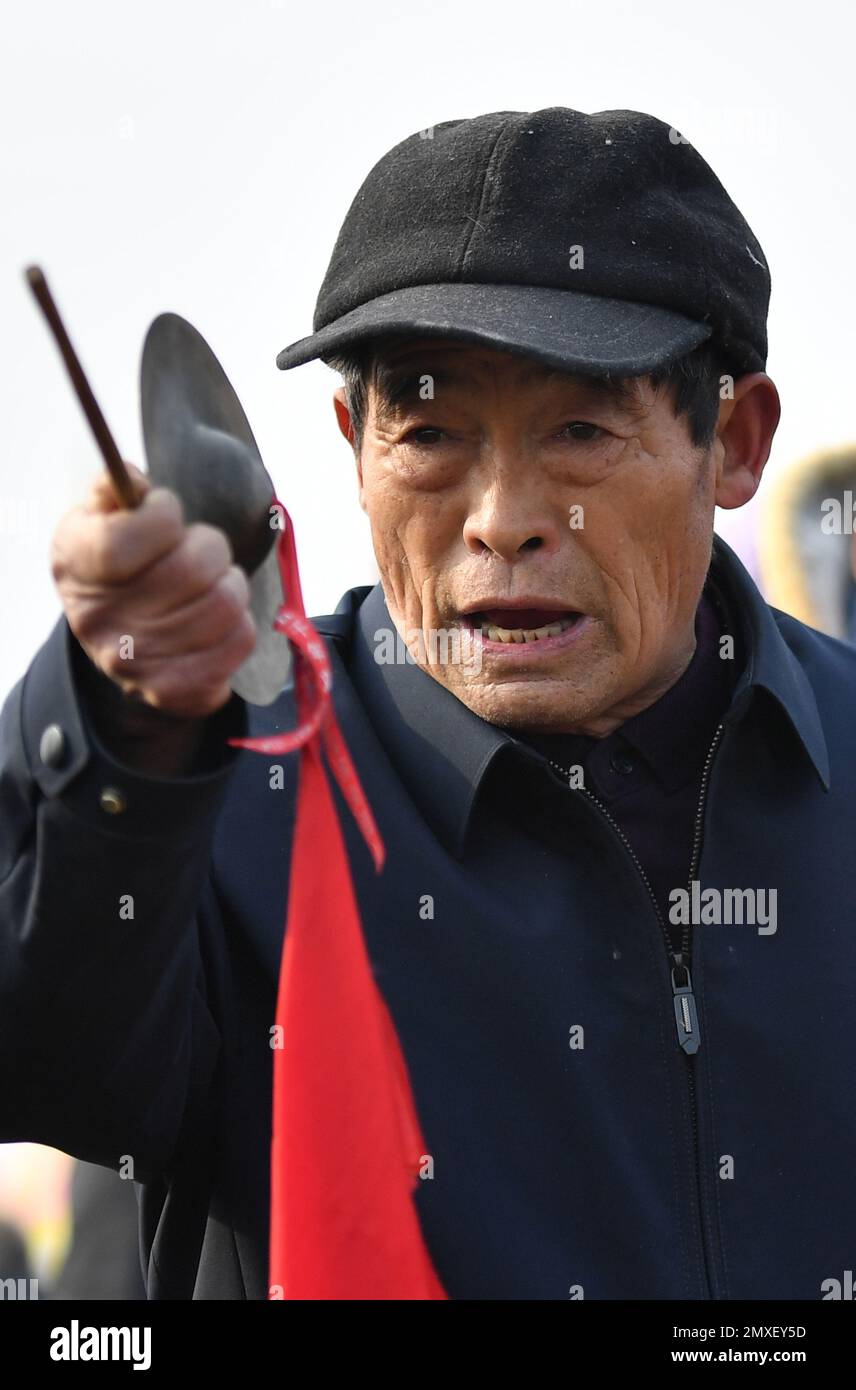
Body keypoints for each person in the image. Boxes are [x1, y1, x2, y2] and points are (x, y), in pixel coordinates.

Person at [2, 106, 855, 1301]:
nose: (501, 515)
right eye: (430, 431)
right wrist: (112, 719)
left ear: (734, 442)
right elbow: (37, 1059)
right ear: (354, 446)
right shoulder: (226, 784)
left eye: (580, 429)